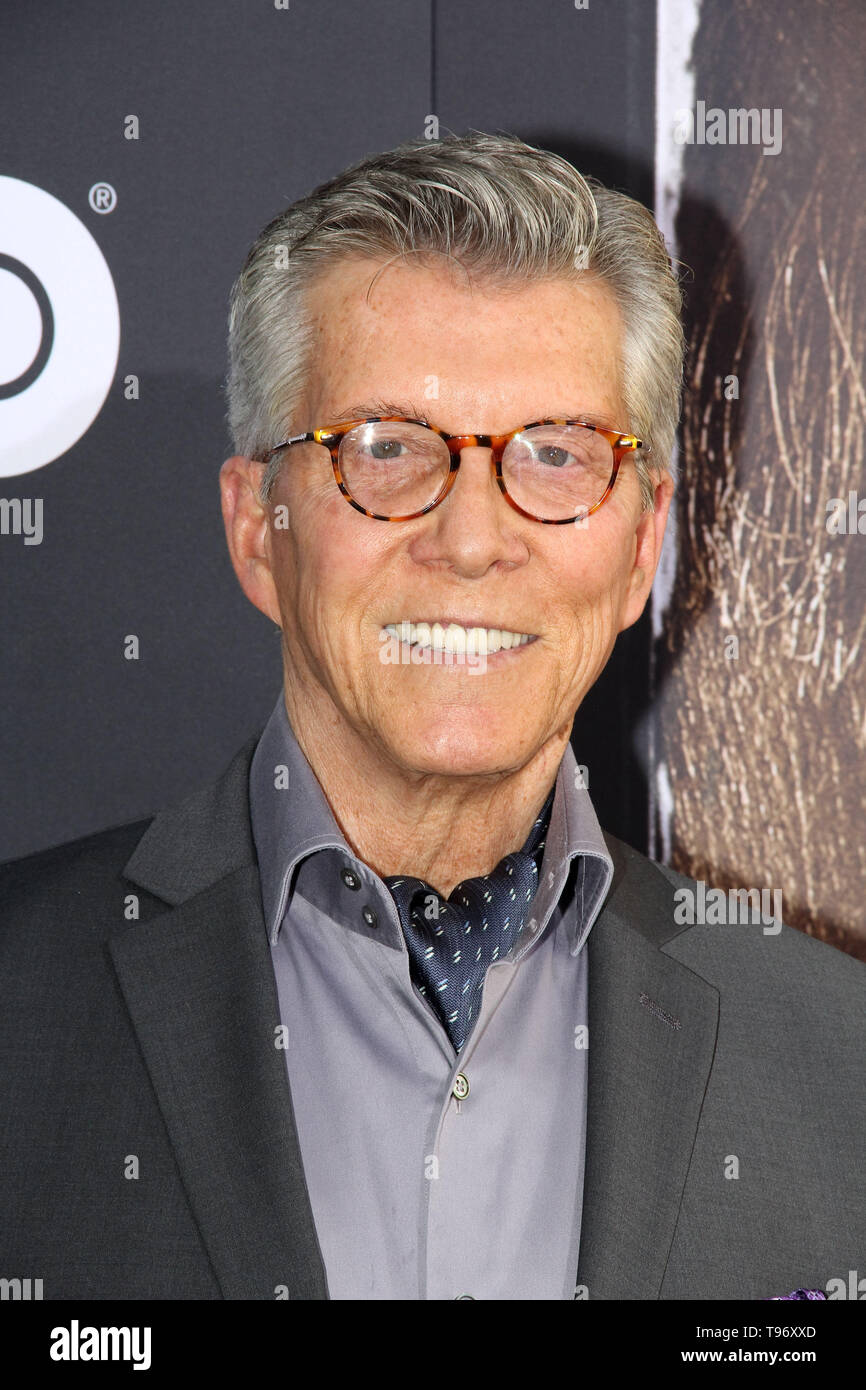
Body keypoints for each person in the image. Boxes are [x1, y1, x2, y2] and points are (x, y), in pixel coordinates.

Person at [1, 134, 863, 1302]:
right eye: (387, 449)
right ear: (259, 527)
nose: (468, 541)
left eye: (555, 454)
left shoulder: (836, 1061)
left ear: (640, 545)